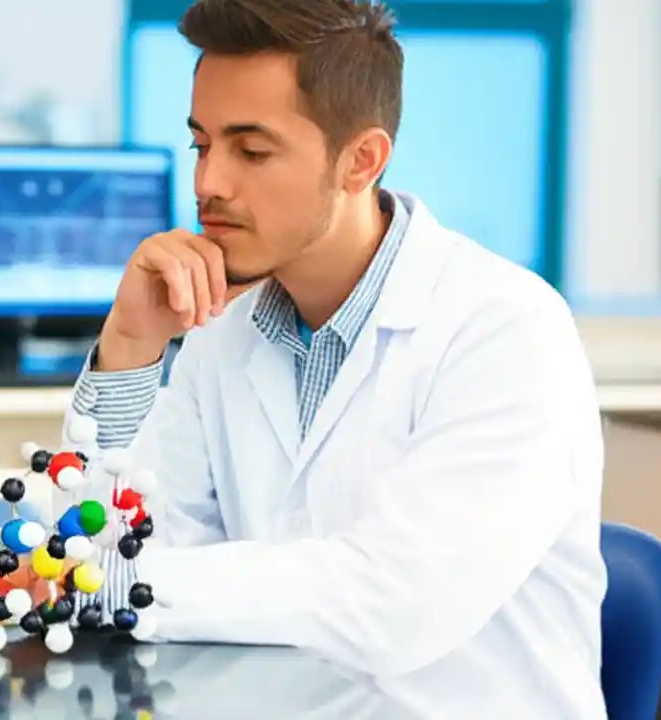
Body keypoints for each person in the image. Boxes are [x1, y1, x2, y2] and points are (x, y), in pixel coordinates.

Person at [56, 0, 606, 717]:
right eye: (201, 145)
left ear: (361, 160)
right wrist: (131, 345)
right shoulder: (223, 331)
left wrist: (106, 586)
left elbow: (393, 606)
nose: (208, 184)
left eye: (251, 151)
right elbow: (91, 549)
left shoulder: (506, 330)